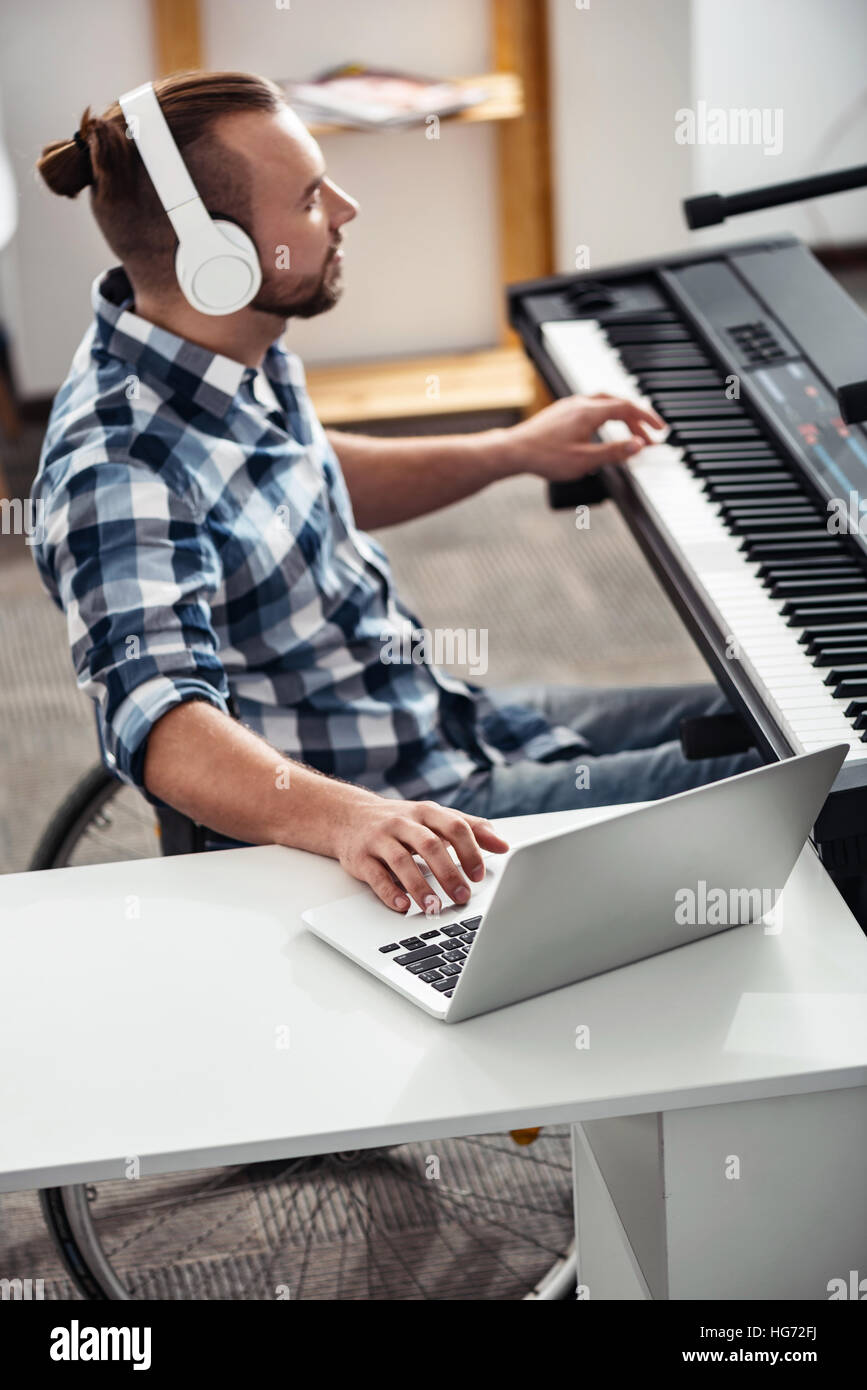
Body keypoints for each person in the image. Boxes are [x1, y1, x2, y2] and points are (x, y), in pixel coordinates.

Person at [31, 70, 758, 919]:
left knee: (758, 714)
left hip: (442, 718)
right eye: (307, 199)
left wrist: (510, 451)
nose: (344, 209)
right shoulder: (117, 469)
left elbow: (297, 477)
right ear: (218, 260)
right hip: (411, 814)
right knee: (792, 781)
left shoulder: (207, 350)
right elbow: (163, 726)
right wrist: (351, 820)